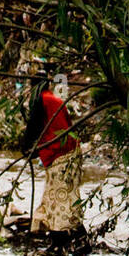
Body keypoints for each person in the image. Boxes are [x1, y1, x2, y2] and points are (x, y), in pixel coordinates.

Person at [22, 76, 84, 238]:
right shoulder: (51, 100)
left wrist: (26, 148)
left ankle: (60, 239)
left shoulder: (42, 101)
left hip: (61, 154)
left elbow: (33, 127)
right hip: (69, 152)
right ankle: (77, 236)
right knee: (64, 197)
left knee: (60, 199)